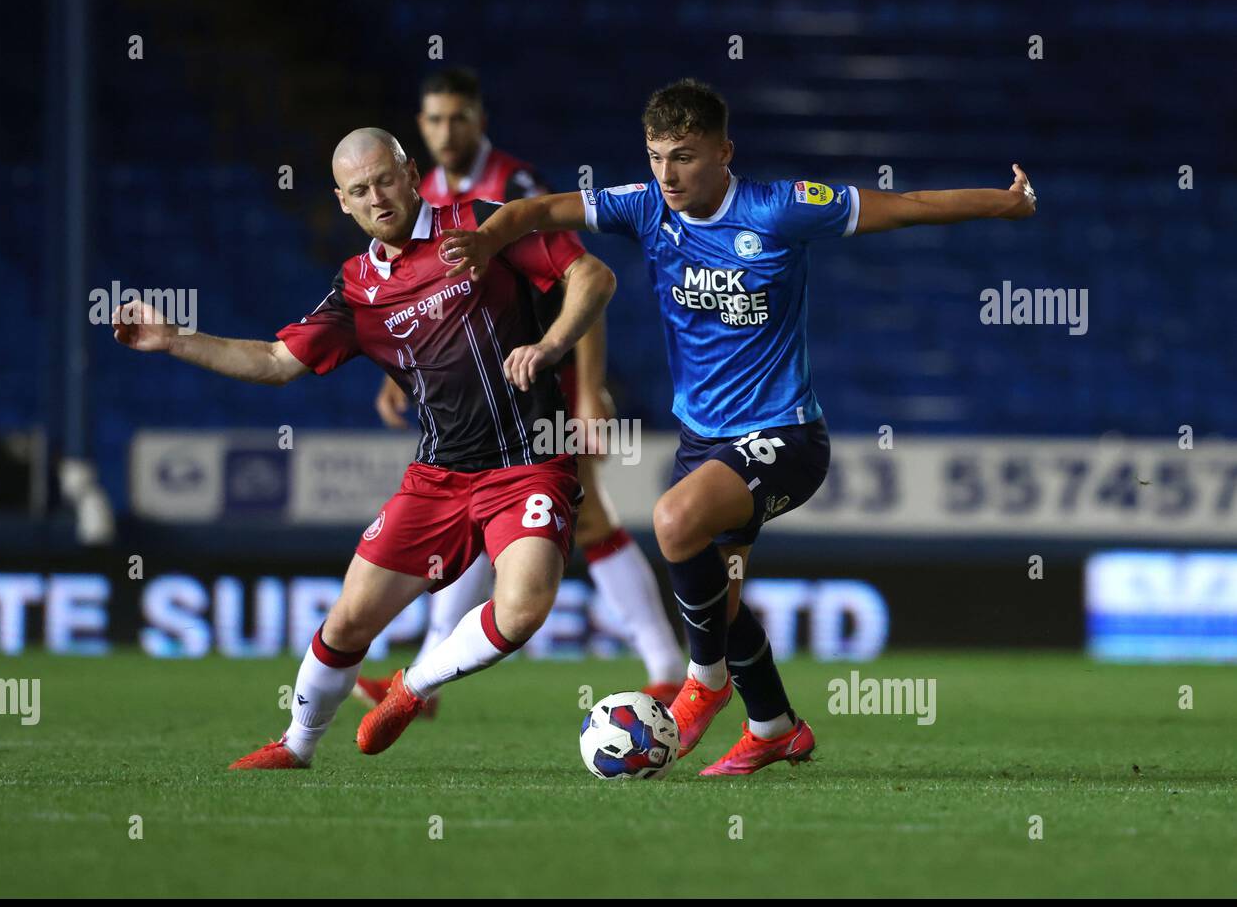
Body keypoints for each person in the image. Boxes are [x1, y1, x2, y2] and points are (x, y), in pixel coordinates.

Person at [439, 78, 1037, 776]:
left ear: (725, 152)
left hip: (786, 437)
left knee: (671, 521)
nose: (667, 173)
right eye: (657, 155)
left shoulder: (781, 208)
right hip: (703, 442)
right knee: (720, 603)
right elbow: (538, 209)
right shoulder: (642, 208)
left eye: (685, 157)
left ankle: (706, 682)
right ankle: (775, 725)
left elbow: (903, 208)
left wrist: (1006, 203)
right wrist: (485, 237)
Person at [112, 127, 616, 768]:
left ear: (410, 174)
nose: (377, 198)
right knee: (349, 622)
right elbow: (275, 360)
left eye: (384, 180)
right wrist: (173, 339)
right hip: (438, 477)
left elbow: (592, 276)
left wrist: (551, 346)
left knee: (523, 608)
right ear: (342, 202)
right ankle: (295, 747)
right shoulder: (355, 290)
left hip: (529, 465)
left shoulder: (481, 226)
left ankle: (413, 687)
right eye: (359, 191)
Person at [356, 68, 684, 712]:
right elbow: (418, 294)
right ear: (419, 129)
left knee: (585, 517)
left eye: (458, 117)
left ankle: (666, 663)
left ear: (479, 120)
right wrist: (396, 372)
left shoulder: (512, 186)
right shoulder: (425, 192)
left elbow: (576, 282)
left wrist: (588, 391)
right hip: (477, 396)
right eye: (435, 120)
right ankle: (426, 676)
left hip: (540, 383)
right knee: (482, 518)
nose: (447, 131)